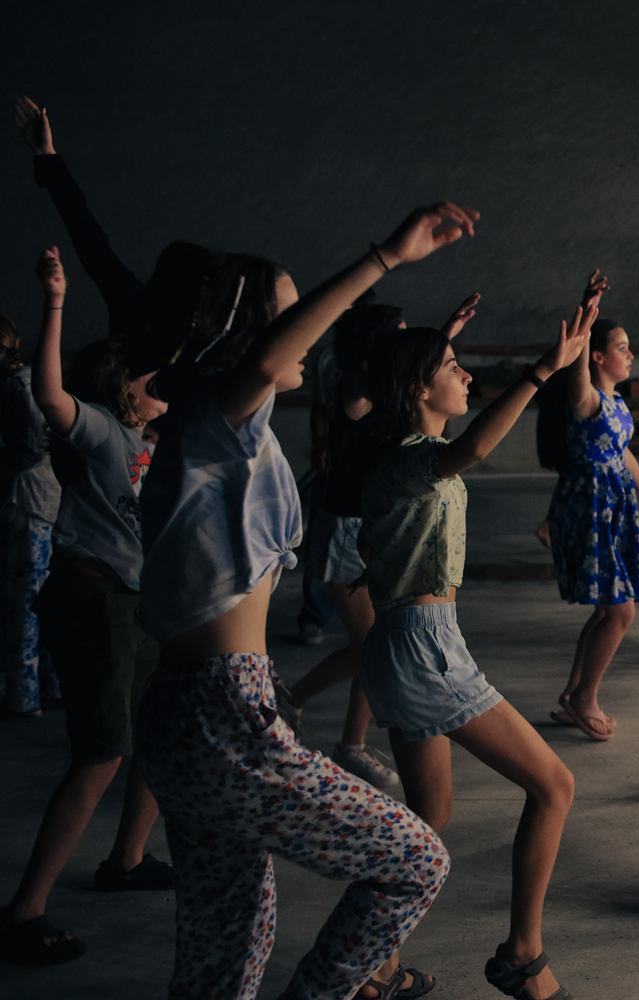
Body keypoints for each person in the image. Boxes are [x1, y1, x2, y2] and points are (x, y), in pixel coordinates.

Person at [135, 206, 475, 1000]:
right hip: (220, 706)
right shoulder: (216, 417)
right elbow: (264, 359)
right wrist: (385, 257)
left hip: (198, 707)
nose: (308, 337)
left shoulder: (221, 430)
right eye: (291, 317)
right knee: (416, 860)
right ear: (245, 336)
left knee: (227, 948)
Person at [358, 298, 590, 1000]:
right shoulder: (408, 459)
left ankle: (372, 961)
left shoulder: (408, 457)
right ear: (417, 389)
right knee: (554, 785)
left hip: (414, 642)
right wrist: (541, 372)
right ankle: (523, 954)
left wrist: (446, 341)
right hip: (421, 648)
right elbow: (476, 448)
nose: (467, 377)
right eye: (454, 368)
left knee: (429, 818)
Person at [0, 251, 173, 967]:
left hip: (135, 602)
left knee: (156, 736)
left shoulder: (151, 440)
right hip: (95, 596)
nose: (164, 387)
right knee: (102, 752)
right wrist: (56, 303)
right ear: (123, 388)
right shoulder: (101, 428)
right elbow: (49, 395)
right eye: (151, 380)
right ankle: (24, 909)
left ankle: (126, 859)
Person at [281, 301, 407, 787]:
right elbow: (391, 383)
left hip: (369, 526)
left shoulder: (376, 376)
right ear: (376, 340)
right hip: (344, 528)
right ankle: (291, 704)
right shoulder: (358, 380)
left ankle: (350, 744)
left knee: (376, 647)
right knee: (373, 647)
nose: (404, 341)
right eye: (398, 334)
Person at [548, 297, 639, 741]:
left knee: (607, 609)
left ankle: (573, 695)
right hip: (589, 511)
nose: (630, 354)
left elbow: (622, 451)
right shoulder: (585, 399)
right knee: (621, 611)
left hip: (614, 511)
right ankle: (586, 698)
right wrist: (586, 316)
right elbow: (577, 369)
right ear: (596, 356)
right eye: (621, 347)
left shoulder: (617, 403)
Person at [0, 312, 61, 717]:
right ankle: (47, 689)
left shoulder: (18, 385)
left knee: (23, 605)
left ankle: (24, 698)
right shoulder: (22, 381)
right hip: (40, 505)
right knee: (40, 605)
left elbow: (34, 446)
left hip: (29, 505)